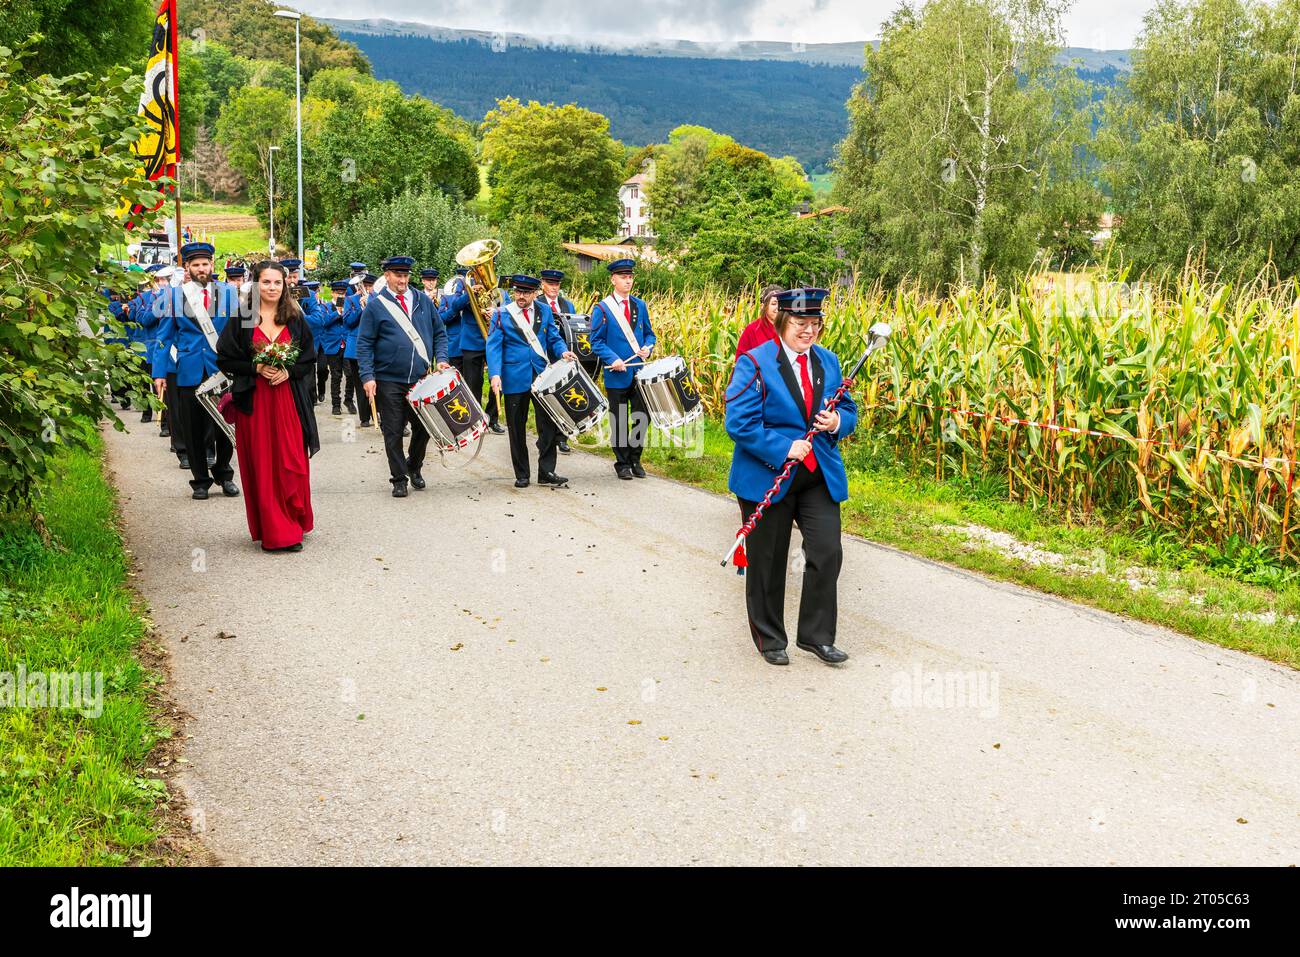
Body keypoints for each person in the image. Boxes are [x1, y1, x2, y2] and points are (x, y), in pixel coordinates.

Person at [724, 287, 857, 667]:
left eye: (815, 324)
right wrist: (784, 447)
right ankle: (770, 638)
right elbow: (739, 423)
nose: (808, 331)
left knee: (827, 552)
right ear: (783, 320)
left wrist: (838, 422)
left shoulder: (829, 361)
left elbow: (847, 407)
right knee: (768, 559)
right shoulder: (755, 362)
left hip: (817, 475)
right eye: (801, 323)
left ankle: (816, 637)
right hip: (768, 476)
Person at [216, 260, 320, 553]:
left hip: (288, 400)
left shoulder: (295, 317)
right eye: (266, 282)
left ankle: (293, 520)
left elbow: (309, 357)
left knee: (292, 461)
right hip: (256, 402)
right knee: (263, 464)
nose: (272, 287)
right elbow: (224, 358)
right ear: (255, 284)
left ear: (285, 285)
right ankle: (276, 532)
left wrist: (289, 371)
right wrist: (256, 366)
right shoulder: (242, 318)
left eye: (277, 282)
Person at [151, 242, 240, 500]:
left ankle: (224, 474)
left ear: (212, 265)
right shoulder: (174, 297)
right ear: (187, 268)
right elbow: (163, 337)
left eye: (205, 264)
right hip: (189, 369)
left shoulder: (229, 293)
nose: (201, 268)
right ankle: (200, 480)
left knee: (225, 424)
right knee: (193, 428)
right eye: (196, 265)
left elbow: (240, 332)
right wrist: (159, 373)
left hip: (222, 368)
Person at [356, 255, 451, 497]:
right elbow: (365, 343)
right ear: (386, 276)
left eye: (406, 275)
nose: (402, 279)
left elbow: (440, 332)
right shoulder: (377, 306)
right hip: (388, 379)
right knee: (393, 431)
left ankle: (414, 466)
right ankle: (399, 478)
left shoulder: (422, 301)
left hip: (421, 378)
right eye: (398, 275)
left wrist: (441, 359)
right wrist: (367, 376)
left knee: (424, 428)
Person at [487, 275, 577, 489]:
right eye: (518, 292)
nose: (521, 296)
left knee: (548, 425)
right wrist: (495, 375)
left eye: (526, 293)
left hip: (541, 376)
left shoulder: (545, 311)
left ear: (535, 293)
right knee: (516, 428)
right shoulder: (501, 314)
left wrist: (563, 351)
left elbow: (553, 338)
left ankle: (546, 471)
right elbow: (493, 347)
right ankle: (522, 473)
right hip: (513, 376)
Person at [590, 258, 656, 480]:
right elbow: (596, 342)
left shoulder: (640, 305)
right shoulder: (602, 308)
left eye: (630, 277)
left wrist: (648, 347)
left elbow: (650, 334)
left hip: (638, 372)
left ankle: (635, 458)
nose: (628, 281)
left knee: (641, 417)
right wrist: (614, 358)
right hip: (616, 372)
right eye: (623, 277)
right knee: (619, 419)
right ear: (613, 280)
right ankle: (622, 463)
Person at [454, 265, 506, 435]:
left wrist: (497, 311)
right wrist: (468, 295)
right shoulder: (464, 284)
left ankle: (492, 418)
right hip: (472, 341)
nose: (480, 272)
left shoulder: (498, 290)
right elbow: (454, 306)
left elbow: (510, 308)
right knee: (472, 382)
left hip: (494, 341)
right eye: (477, 269)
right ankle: (476, 420)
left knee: (497, 379)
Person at [539, 268, 577, 454]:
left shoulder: (567, 305)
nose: (554, 287)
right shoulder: (536, 303)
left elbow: (572, 330)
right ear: (542, 284)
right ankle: (545, 437)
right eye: (550, 284)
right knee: (546, 399)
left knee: (563, 398)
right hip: (543, 356)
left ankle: (562, 438)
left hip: (561, 355)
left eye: (556, 284)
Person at [342, 273, 374, 426]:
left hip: (374, 347)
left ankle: (378, 415)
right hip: (355, 348)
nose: (366, 288)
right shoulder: (350, 300)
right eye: (363, 285)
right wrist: (361, 309)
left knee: (377, 382)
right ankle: (364, 417)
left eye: (368, 286)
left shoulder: (377, 299)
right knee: (360, 383)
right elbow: (348, 322)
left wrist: (370, 303)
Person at [317, 279, 350, 416]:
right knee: (336, 376)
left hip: (347, 344)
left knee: (350, 374)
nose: (340, 296)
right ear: (332, 293)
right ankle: (336, 404)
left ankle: (349, 400)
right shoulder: (325, 307)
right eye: (337, 293)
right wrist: (337, 312)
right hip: (332, 346)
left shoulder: (350, 305)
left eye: (342, 293)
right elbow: (323, 322)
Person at [735, 284, 784, 359]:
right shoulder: (752, 330)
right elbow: (741, 360)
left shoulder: (791, 329)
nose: (778, 308)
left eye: (781, 303)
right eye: (774, 304)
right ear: (763, 307)